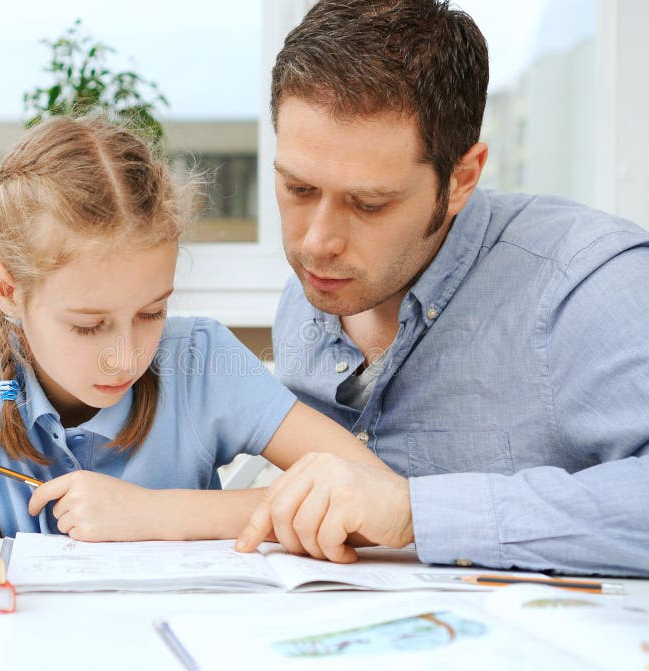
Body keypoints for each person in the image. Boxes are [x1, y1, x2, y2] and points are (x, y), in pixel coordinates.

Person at [236, 0, 649, 576]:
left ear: (461, 180)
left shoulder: (585, 284)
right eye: (298, 189)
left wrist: (414, 512)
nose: (316, 243)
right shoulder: (311, 290)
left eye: (369, 203)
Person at [0, 116, 398, 541]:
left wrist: (156, 514)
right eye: (89, 325)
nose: (125, 355)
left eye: (150, 313)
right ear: (6, 291)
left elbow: (376, 499)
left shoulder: (199, 357)